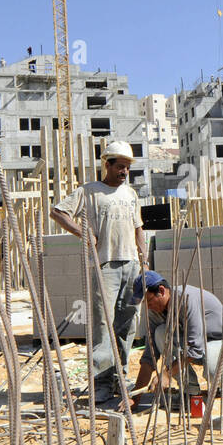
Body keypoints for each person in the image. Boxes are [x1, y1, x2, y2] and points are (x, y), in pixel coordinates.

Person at [50, 140, 146, 405]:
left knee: (127, 325)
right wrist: (83, 233)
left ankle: (120, 376)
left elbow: (139, 227)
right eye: (120, 167)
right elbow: (57, 212)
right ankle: (101, 382)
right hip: (105, 266)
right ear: (108, 165)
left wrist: (144, 259)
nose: (124, 172)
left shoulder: (131, 194)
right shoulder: (89, 191)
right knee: (103, 325)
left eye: (127, 167)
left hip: (131, 267)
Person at [130, 271, 223, 408]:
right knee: (160, 333)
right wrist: (135, 397)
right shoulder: (154, 312)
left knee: (213, 371)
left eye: (149, 301)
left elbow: (195, 348)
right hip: (194, 347)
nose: (148, 306)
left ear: (162, 291)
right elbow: (149, 356)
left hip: (220, 341)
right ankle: (190, 391)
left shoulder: (186, 299)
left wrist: (166, 374)